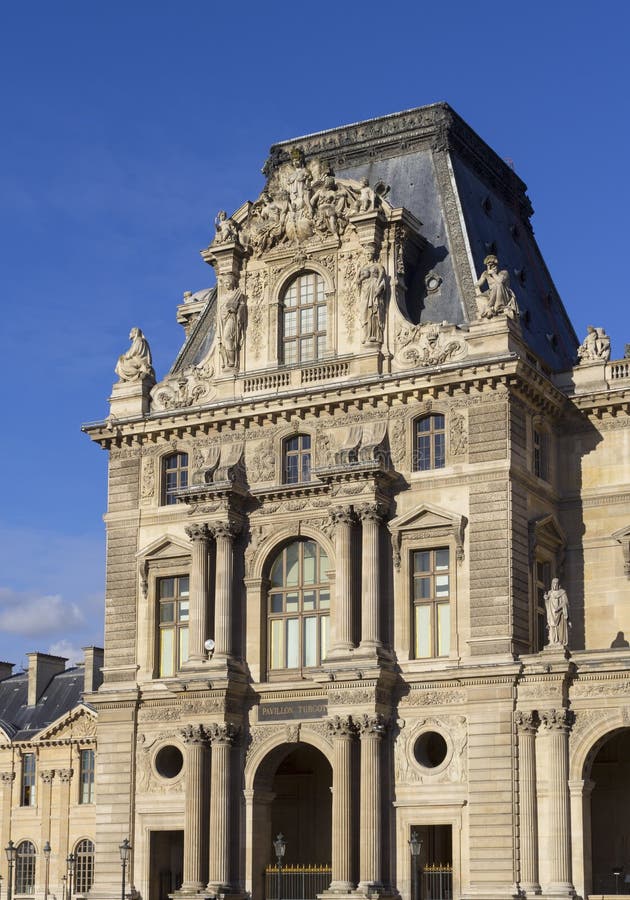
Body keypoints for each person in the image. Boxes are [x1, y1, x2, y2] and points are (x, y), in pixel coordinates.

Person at [475, 254, 519, 319]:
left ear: (497, 265)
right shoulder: (485, 274)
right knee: (478, 298)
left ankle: (496, 307)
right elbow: (477, 284)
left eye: (494, 265)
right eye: (490, 265)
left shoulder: (503, 273)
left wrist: (493, 273)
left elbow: (500, 281)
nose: (493, 267)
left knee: (498, 285)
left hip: (504, 295)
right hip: (491, 294)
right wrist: (478, 291)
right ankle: (489, 308)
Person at [219, 275, 246, 369]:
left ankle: (232, 361)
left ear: (232, 282)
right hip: (223, 319)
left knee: (227, 337)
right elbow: (220, 309)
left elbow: (242, 306)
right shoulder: (222, 297)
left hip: (232, 317)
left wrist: (236, 311)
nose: (226, 285)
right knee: (223, 340)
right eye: (224, 283)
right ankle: (229, 361)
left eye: (228, 282)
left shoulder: (237, 294)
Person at [544, 578, 571, 647]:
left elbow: (565, 602)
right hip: (551, 613)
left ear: (559, 584)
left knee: (559, 627)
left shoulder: (562, 592)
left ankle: (559, 640)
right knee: (552, 626)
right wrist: (546, 599)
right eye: (554, 583)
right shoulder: (550, 592)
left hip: (559, 613)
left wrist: (559, 608)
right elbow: (548, 603)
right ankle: (552, 641)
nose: (555, 585)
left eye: (556, 583)